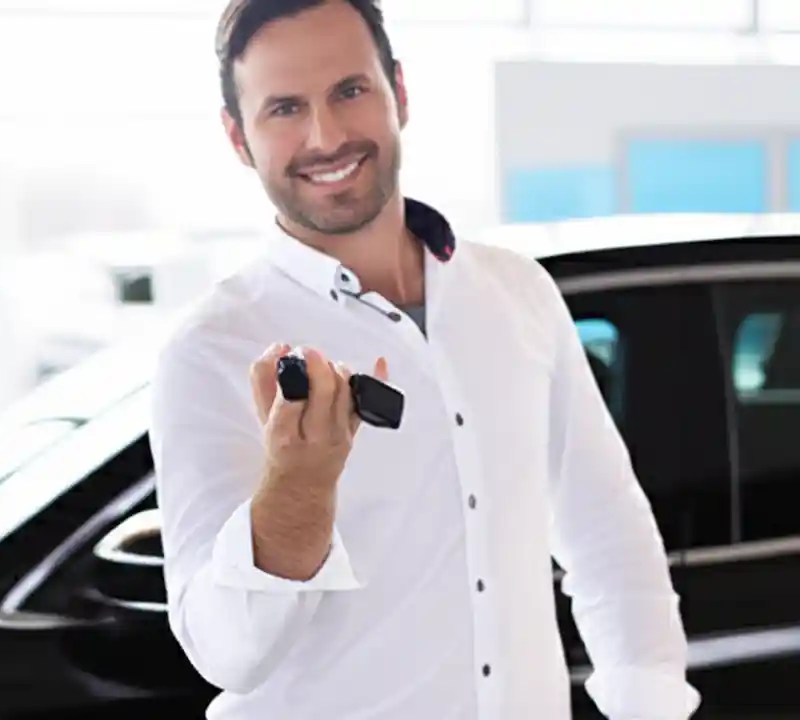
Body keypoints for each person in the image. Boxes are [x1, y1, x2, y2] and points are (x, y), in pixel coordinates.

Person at [147, 1, 701, 718]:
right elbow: (227, 654)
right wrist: (297, 490)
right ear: (238, 137)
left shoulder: (518, 294)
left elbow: (607, 531)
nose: (327, 135)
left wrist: (647, 706)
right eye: (285, 107)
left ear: (398, 92)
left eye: (350, 90)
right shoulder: (211, 348)